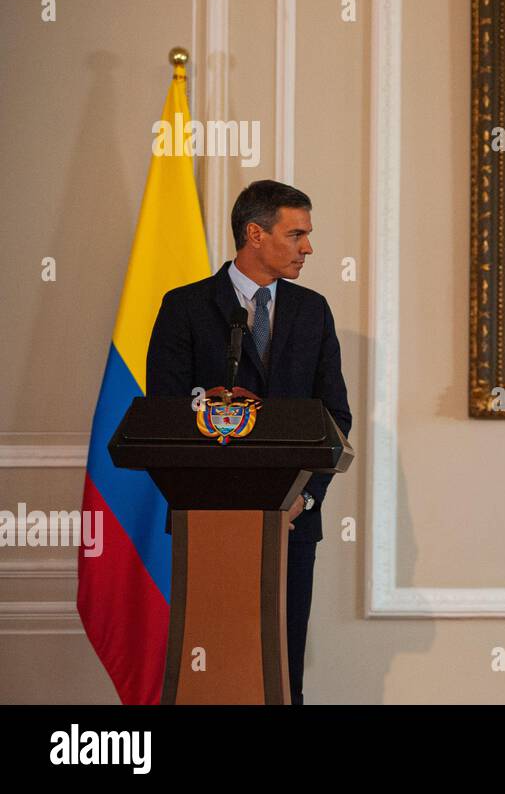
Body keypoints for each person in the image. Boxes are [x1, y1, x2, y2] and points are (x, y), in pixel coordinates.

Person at [146, 179, 350, 704]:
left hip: (292, 520)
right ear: (255, 234)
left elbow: (336, 418)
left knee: (281, 675)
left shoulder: (312, 310)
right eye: (296, 233)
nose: (309, 248)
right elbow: (162, 417)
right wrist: (204, 406)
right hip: (209, 523)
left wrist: (306, 500)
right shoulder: (185, 307)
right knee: (210, 672)